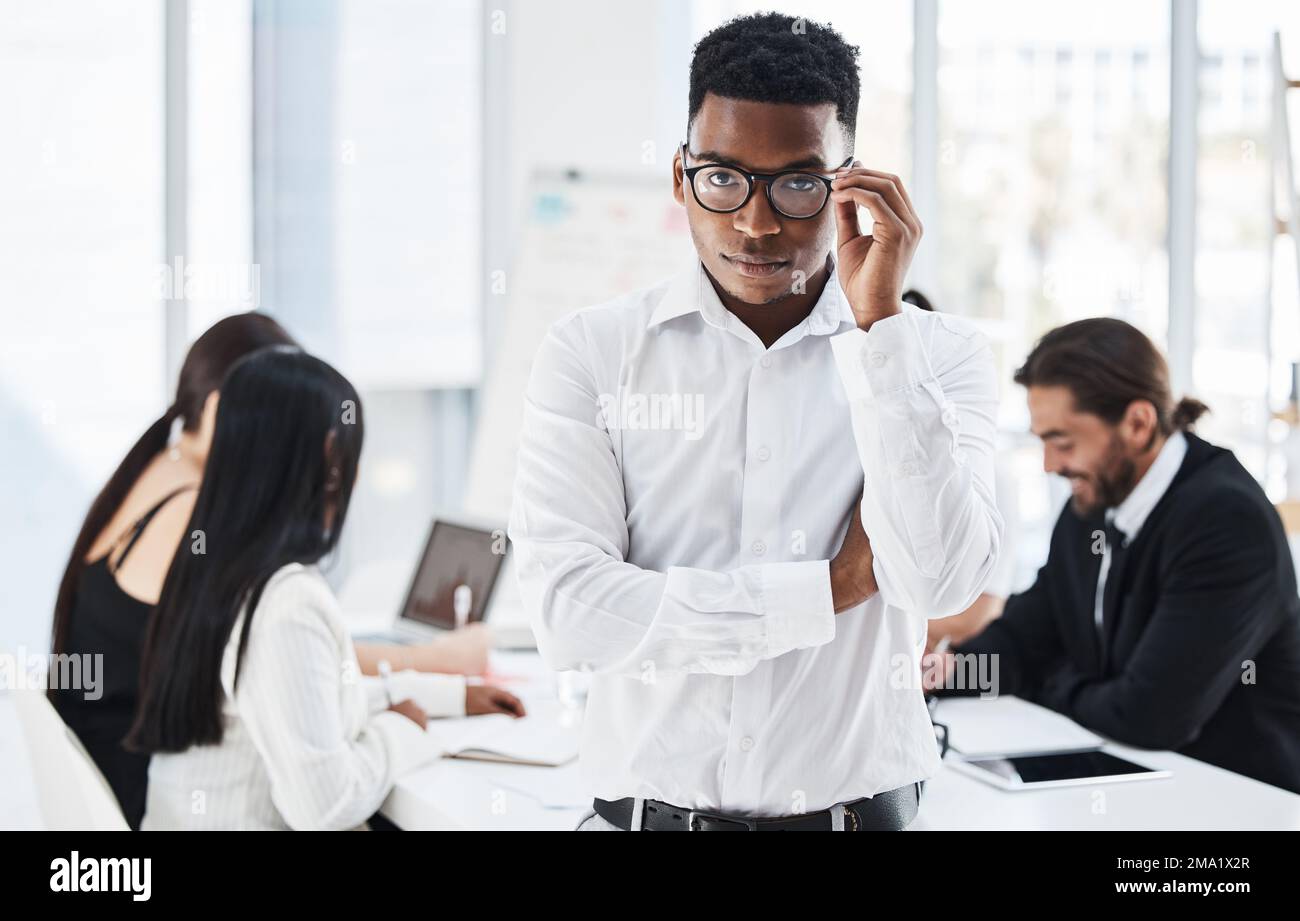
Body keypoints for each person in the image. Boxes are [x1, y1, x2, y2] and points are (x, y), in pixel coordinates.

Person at [508, 13, 1001, 831]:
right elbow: (571, 611)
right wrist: (826, 589)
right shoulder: (592, 354)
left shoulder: (935, 356)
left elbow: (941, 580)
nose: (757, 222)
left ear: (849, 185)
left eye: (798, 184)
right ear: (680, 176)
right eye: (724, 178)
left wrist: (880, 329)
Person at [50, 313, 505, 828]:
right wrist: (410, 718)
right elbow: (322, 799)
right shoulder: (247, 571)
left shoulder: (201, 537)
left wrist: (440, 691)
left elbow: (301, 686)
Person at [931, 318, 1300, 794]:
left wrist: (1046, 681)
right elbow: (1026, 639)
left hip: (1233, 804)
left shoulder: (1225, 521)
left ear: (1138, 423)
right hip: (1134, 785)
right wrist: (945, 673)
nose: (1050, 465)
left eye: (1062, 441)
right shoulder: (1093, 503)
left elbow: (1148, 714)